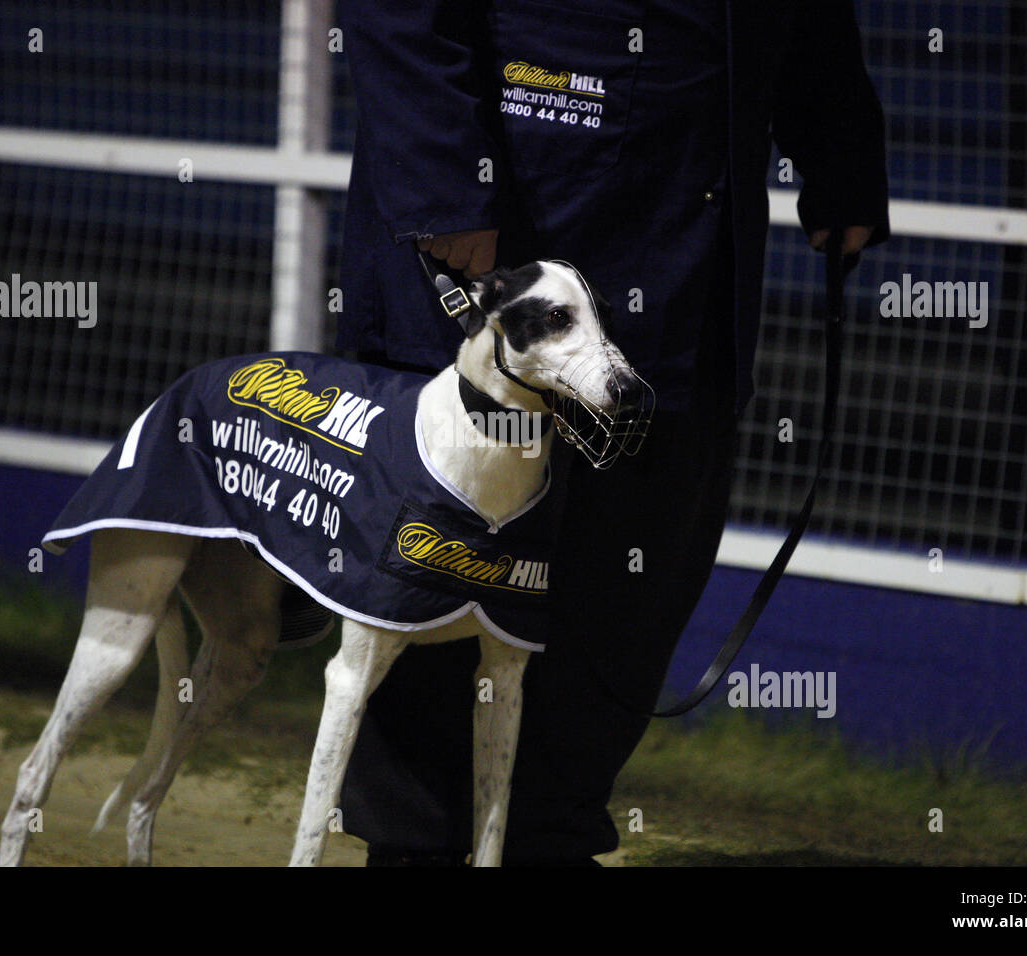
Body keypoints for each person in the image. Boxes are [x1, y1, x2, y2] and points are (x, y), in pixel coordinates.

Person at [333, 0, 890, 865]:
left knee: (631, 587)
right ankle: (421, 848)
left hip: (687, 249)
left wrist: (840, 142)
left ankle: (547, 839)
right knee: (444, 581)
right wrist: (443, 178)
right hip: (507, 222)